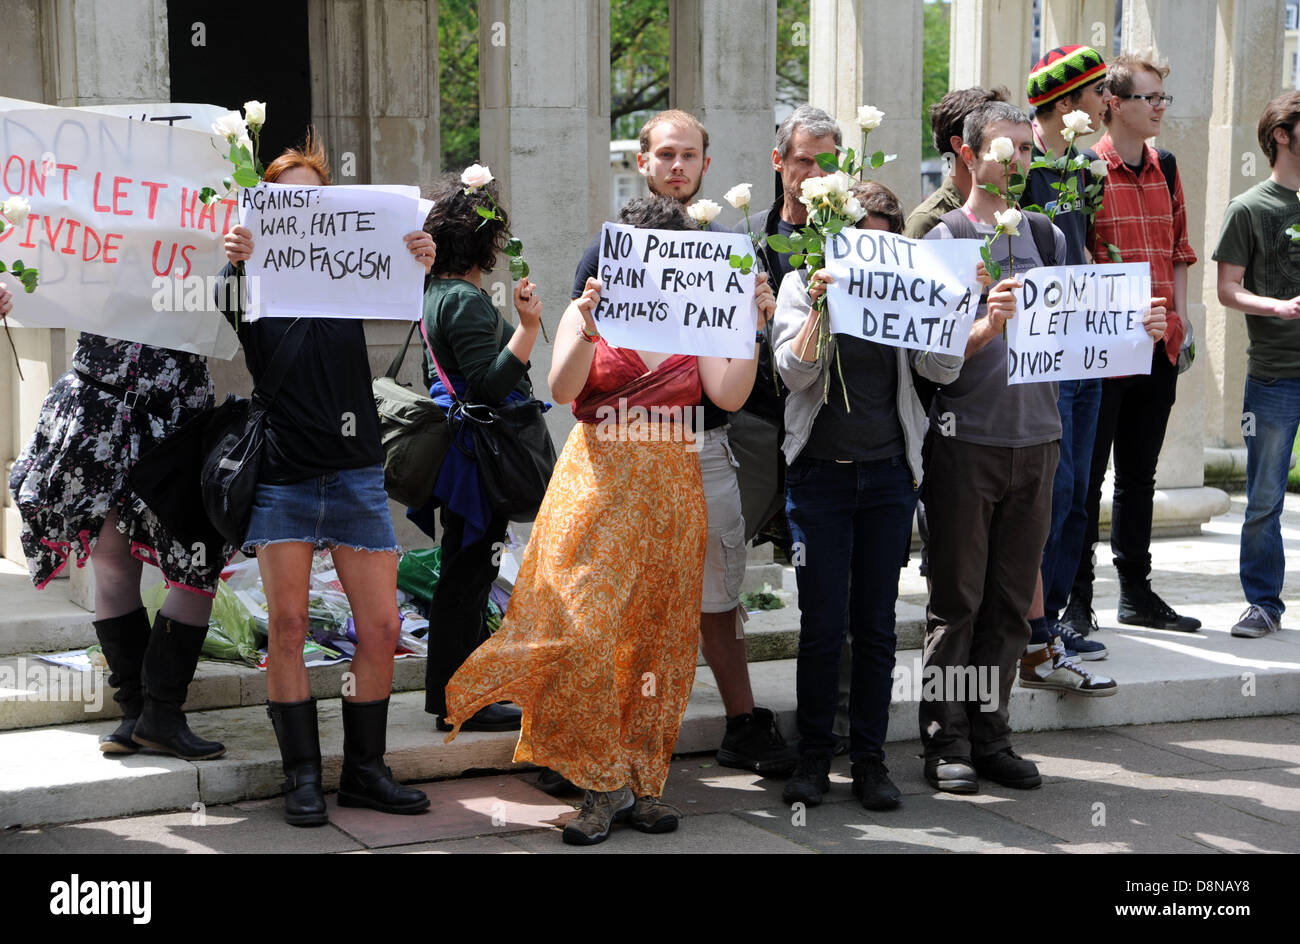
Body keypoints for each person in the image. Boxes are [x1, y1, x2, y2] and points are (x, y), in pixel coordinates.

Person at [446, 196, 774, 846]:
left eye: (666, 250)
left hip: (672, 488)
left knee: (660, 640)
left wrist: (750, 324)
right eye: (641, 248)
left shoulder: (699, 315)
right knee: (587, 632)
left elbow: (729, 394)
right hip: (597, 482)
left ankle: (643, 781)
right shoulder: (586, 307)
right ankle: (598, 782)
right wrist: (590, 325)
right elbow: (564, 390)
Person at [568, 109, 796, 779]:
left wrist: (759, 320)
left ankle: (742, 721)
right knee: (623, 603)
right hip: (625, 454)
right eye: (665, 153)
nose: (676, 165)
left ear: (705, 166)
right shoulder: (604, 250)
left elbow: (740, 376)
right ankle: (610, 741)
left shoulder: (731, 250)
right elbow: (581, 357)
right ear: (642, 162)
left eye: (689, 155)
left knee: (718, 597)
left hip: (706, 447)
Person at [220, 133, 433, 826]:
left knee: (379, 626)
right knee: (285, 627)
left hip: (355, 475)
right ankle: (302, 778)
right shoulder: (247, 280)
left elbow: (406, 291)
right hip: (283, 476)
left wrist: (422, 263)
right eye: (289, 200)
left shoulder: (356, 273)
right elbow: (219, 293)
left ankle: (365, 772)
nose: (304, 210)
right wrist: (234, 260)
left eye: (316, 198)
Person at [773, 180, 962, 811]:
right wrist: (824, 310)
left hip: (887, 479)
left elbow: (941, 371)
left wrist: (959, 311)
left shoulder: (910, 289)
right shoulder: (805, 284)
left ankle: (872, 762)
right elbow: (792, 373)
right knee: (822, 628)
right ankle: (811, 761)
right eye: (860, 239)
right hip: (819, 479)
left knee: (877, 628)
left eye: (884, 240)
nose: (871, 254)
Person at [7, 288, 228, 761]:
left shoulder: (208, 224)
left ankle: (150, 715)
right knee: (115, 562)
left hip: (170, 414)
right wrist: (12, 293)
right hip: (102, 406)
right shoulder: (97, 226)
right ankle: (145, 714)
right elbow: (37, 264)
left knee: (195, 564)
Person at [1063, 51, 1200, 637]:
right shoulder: (1081, 170)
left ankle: (1136, 593)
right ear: (1114, 104)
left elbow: (1179, 250)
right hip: (1102, 349)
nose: (1160, 108)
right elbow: (1072, 263)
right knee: (1086, 481)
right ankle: (1076, 602)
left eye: (1163, 98)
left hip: (1157, 345)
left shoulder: (1166, 165)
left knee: (1139, 476)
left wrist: (1183, 317)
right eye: (1150, 98)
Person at [412, 172, 543, 734]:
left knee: (462, 572)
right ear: (484, 242)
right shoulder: (463, 300)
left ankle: (454, 693)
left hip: (464, 455)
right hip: (476, 460)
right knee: (467, 576)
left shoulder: (434, 293)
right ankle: (459, 698)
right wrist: (529, 329)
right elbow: (486, 386)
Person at [1018, 44, 1117, 688]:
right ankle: (1029, 628)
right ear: (1065, 103)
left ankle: (1057, 616)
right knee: (1050, 491)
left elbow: (1090, 246)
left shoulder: (1087, 170)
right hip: (1040, 353)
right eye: (1098, 92)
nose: (1107, 102)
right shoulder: (1019, 166)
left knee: (1080, 490)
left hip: (1086, 348)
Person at [1214, 90, 1300, 638]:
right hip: (1275, 373)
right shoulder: (1248, 208)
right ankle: (1263, 604)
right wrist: (1278, 306)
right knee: (1264, 498)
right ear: (1283, 136)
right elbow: (1226, 288)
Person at [903, 86, 1009, 239]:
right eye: (996, 139)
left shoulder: (1012, 210)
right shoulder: (927, 222)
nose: (1010, 151)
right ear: (960, 146)